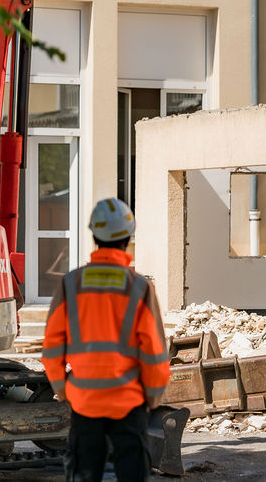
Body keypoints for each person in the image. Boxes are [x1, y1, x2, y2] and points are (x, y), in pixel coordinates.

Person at [42, 197, 171, 482]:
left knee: (83, 474)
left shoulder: (71, 284)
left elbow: (51, 348)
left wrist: (63, 390)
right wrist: (152, 397)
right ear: (128, 237)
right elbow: (154, 352)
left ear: (95, 236)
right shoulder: (138, 287)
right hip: (129, 402)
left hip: (84, 402)